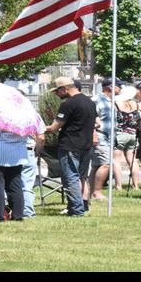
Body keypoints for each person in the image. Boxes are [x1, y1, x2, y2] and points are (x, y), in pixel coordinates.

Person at [45, 76, 97, 216]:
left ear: (64, 88)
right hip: (86, 146)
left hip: (70, 145)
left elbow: (55, 128)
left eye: (57, 91)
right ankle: (82, 206)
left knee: (70, 178)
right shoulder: (90, 102)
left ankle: (76, 210)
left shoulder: (68, 104)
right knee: (81, 177)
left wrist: (40, 128)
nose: (56, 94)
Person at [90, 78, 117, 204]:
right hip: (100, 137)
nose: (120, 88)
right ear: (109, 87)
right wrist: (94, 134)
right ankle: (97, 192)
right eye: (118, 86)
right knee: (106, 164)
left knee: (97, 165)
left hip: (108, 137)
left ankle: (91, 192)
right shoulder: (96, 100)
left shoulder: (111, 101)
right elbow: (90, 119)